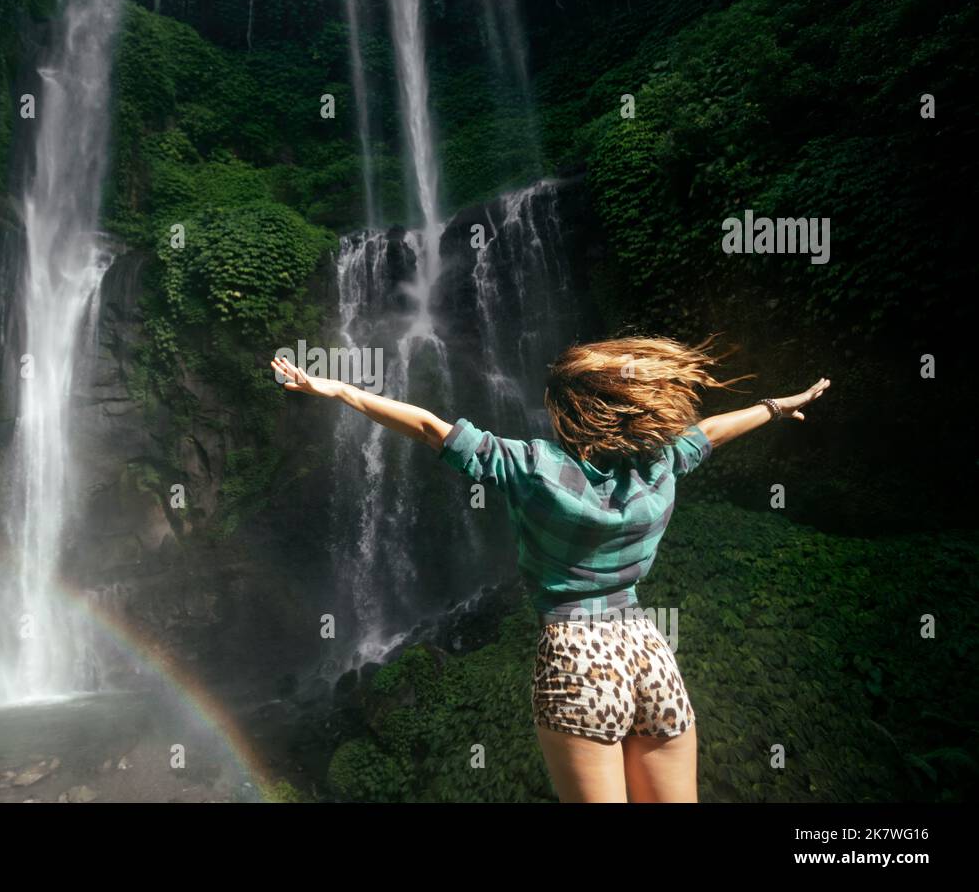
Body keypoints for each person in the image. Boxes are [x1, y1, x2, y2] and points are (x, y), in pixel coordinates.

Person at [270, 336, 830, 802]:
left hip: (575, 657)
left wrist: (336, 387)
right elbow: (708, 433)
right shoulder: (660, 464)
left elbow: (430, 429)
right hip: (648, 649)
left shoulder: (533, 468)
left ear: (572, 413)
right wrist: (776, 407)